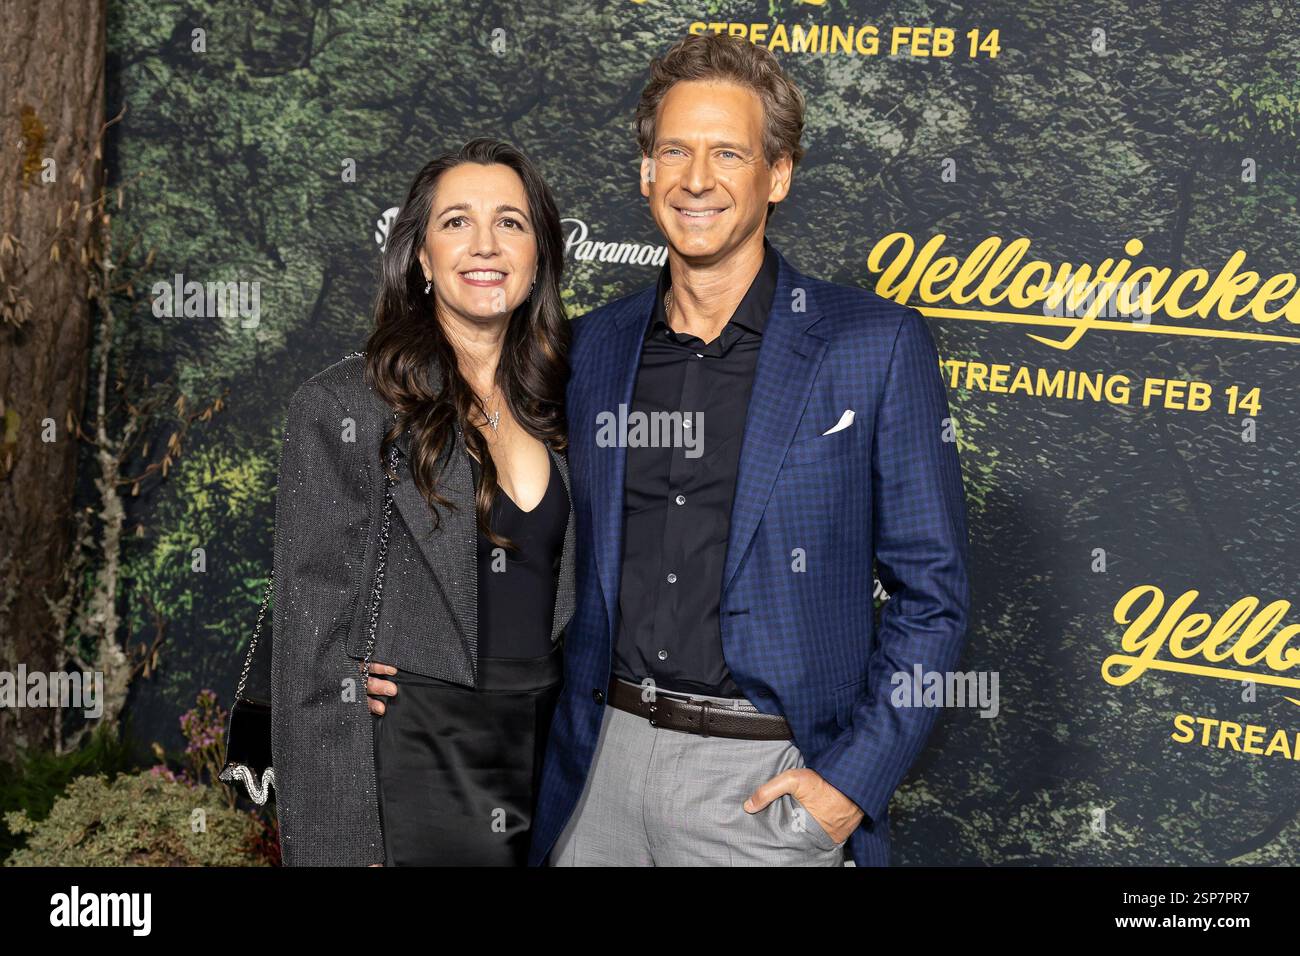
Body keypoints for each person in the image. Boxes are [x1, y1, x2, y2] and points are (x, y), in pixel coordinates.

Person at [527, 33, 971, 867]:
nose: (697, 179)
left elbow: (933, 597)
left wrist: (847, 788)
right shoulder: (590, 350)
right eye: (674, 151)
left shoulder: (870, 345)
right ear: (647, 172)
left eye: (728, 152)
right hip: (599, 766)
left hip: (765, 785)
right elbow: (516, 529)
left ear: (777, 174)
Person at [271, 138, 574, 866]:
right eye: (456, 222)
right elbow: (310, 659)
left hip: (560, 756)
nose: (485, 245)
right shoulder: (344, 406)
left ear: (538, 257)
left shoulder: (571, 399)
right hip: (419, 753)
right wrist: (339, 847)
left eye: (510, 222)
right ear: (419, 257)